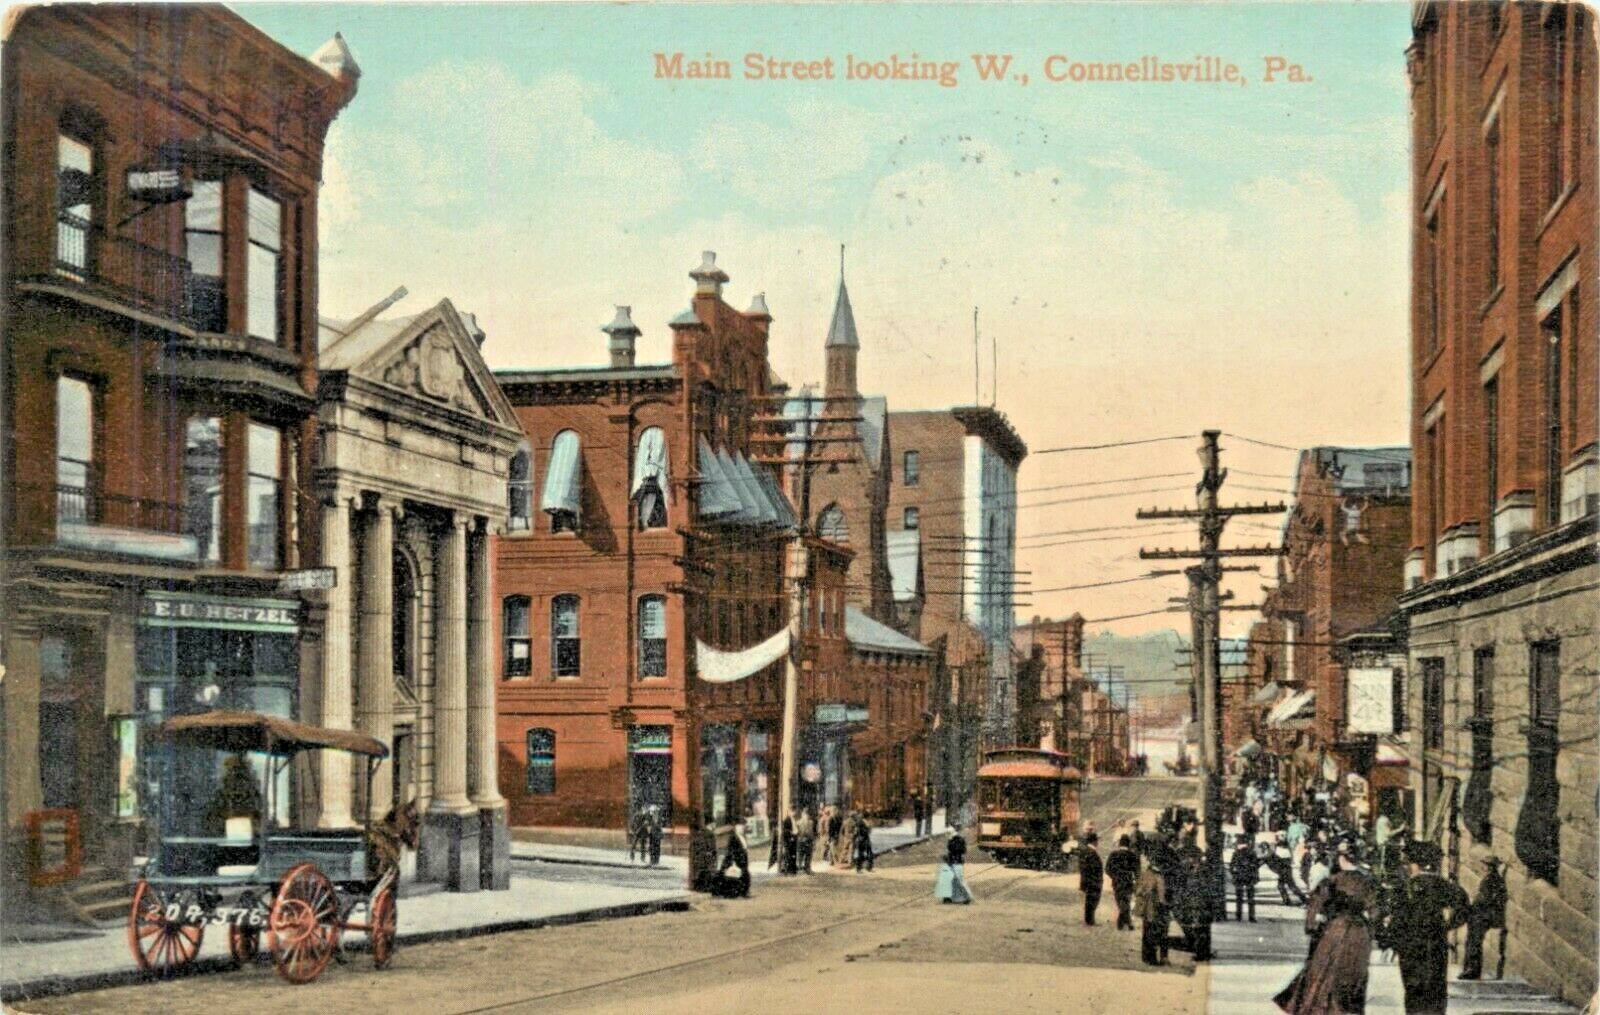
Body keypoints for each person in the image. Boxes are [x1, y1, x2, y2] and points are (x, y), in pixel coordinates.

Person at [1274, 852, 1377, 1014]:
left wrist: (1311, 928)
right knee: (1353, 974)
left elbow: (1314, 906)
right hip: (1359, 933)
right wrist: (1371, 932)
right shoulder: (1368, 882)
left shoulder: (1332, 881)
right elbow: (1375, 912)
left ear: (1342, 860)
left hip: (1335, 929)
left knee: (1324, 971)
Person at [1388, 841, 1469, 1014]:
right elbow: (1463, 906)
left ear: (1414, 865)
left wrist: (1394, 942)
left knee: (1413, 990)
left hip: (1411, 947)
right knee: (1436, 987)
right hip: (1436, 944)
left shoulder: (1405, 888)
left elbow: (1397, 920)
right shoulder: (1444, 886)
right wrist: (1448, 925)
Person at [1460, 855, 1507, 981]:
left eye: (1486, 864)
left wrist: (1473, 906)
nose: (1484, 866)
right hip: (1480, 914)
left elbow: (1486, 899)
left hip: (1483, 916)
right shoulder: (1492, 879)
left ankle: (1472, 970)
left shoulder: (1492, 880)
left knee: (1474, 942)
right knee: (1472, 942)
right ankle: (1470, 969)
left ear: (1491, 867)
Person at [1134, 852, 1170, 966]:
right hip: (1150, 907)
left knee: (1157, 932)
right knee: (1150, 932)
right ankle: (1150, 958)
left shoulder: (1160, 874)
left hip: (1159, 906)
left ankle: (1154, 957)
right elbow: (1140, 890)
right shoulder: (1149, 874)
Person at [1263, 832, 1308, 905]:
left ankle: (1298, 900)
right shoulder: (1277, 848)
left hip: (1284, 869)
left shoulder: (1282, 847)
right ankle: (1290, 900)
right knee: (1286, 886)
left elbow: (1285, 858)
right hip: (1284, 869)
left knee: (1289, 886)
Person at [1107, 835, 1140, 931]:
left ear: (1120, 843)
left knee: (1120, 901)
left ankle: (1123, 922)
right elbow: (1137, 872)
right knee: (1126, 902)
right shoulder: (1133, 855)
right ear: (1129, 844)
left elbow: (1108, 869)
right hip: (1128, 882)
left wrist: (1114, 876)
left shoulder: (1113, 854)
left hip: (1117, 882)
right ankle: (1127, 922)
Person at [713, 827, 752, 898]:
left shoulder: (742, 837)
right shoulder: (733, 837)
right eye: (740, 828)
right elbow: (731, 849)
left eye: (742, 828)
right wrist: (733, 861)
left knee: (743, 875)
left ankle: (744, 892)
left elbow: (744, 847)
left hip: (742, 858)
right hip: (736, 858)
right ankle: (724, 892)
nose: (742, 829)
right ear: (736, 829)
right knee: (731, 875)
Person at [935, 831, 972, 904]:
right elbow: (962, 851)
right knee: (954, 880)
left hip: (954, 862)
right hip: (955, 862)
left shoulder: (954, 840)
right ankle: (952, 897)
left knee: (955, 879)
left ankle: (963, 897)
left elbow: (955, 850)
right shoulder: (958, 840)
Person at [1230, 837, 1260, 923]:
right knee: (1251, 898)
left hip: (1239, 877)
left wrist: (1234, 874)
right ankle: (1251, 916)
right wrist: (1256, 877)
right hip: (1249, 877)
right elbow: (1255, 866)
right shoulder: (1252, 853)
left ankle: (1238, 916)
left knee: (1239, 898)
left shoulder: (1236, 853)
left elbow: (1232, 866)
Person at [1077, 832, 1104, 926]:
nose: (1098, 843)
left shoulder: (1084, 851)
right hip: (1093, 881)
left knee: (1090, 900)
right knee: (1093, 901)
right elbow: (1092, 868)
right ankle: (1090, 920)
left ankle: (1089, 919)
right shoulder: (1091, 852)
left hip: (1087, 880)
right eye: (1097, 841)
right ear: (1094, 841)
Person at [796, 809, 816, 874]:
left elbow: (812, 832)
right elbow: (797, 832)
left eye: (807, 815)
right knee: (801, 855)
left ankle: (807, 868)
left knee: (808, 855)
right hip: (802, 841)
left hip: (808, 841)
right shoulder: (798, 822)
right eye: (805, 814)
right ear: (802, 815)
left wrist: (813, 841)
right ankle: (800, 868)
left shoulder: (811, 822)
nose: (806, 816)